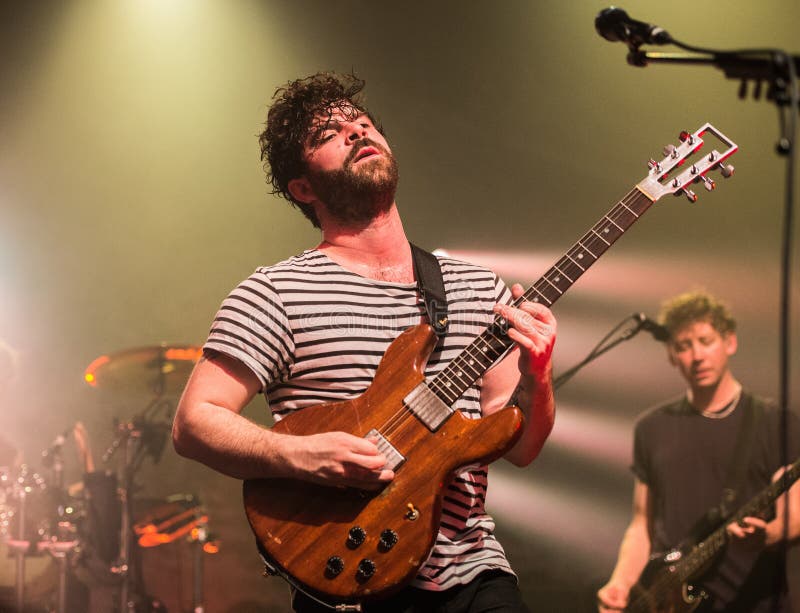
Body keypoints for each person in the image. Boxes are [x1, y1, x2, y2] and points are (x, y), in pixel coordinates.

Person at [171, 72, 557, 612]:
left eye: (362, 122)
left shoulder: (477, 287)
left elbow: (522, 447)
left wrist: (538, 375)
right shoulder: (275, 292)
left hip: (474, 575)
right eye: (328, 134)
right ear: (303, 188)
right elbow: (194, 423)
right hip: (347, 573)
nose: (355, 131)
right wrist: (299, 454)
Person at [597, 291, 800, 612]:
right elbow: (642, 525)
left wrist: (769, 534)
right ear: (671, 355)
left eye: (706, 341)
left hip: (752, 602)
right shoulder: (651, 427)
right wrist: (620, 583)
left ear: (729, 342)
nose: (697, 356)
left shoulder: (773, 422)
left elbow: (795, 511)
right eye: (683, 346)